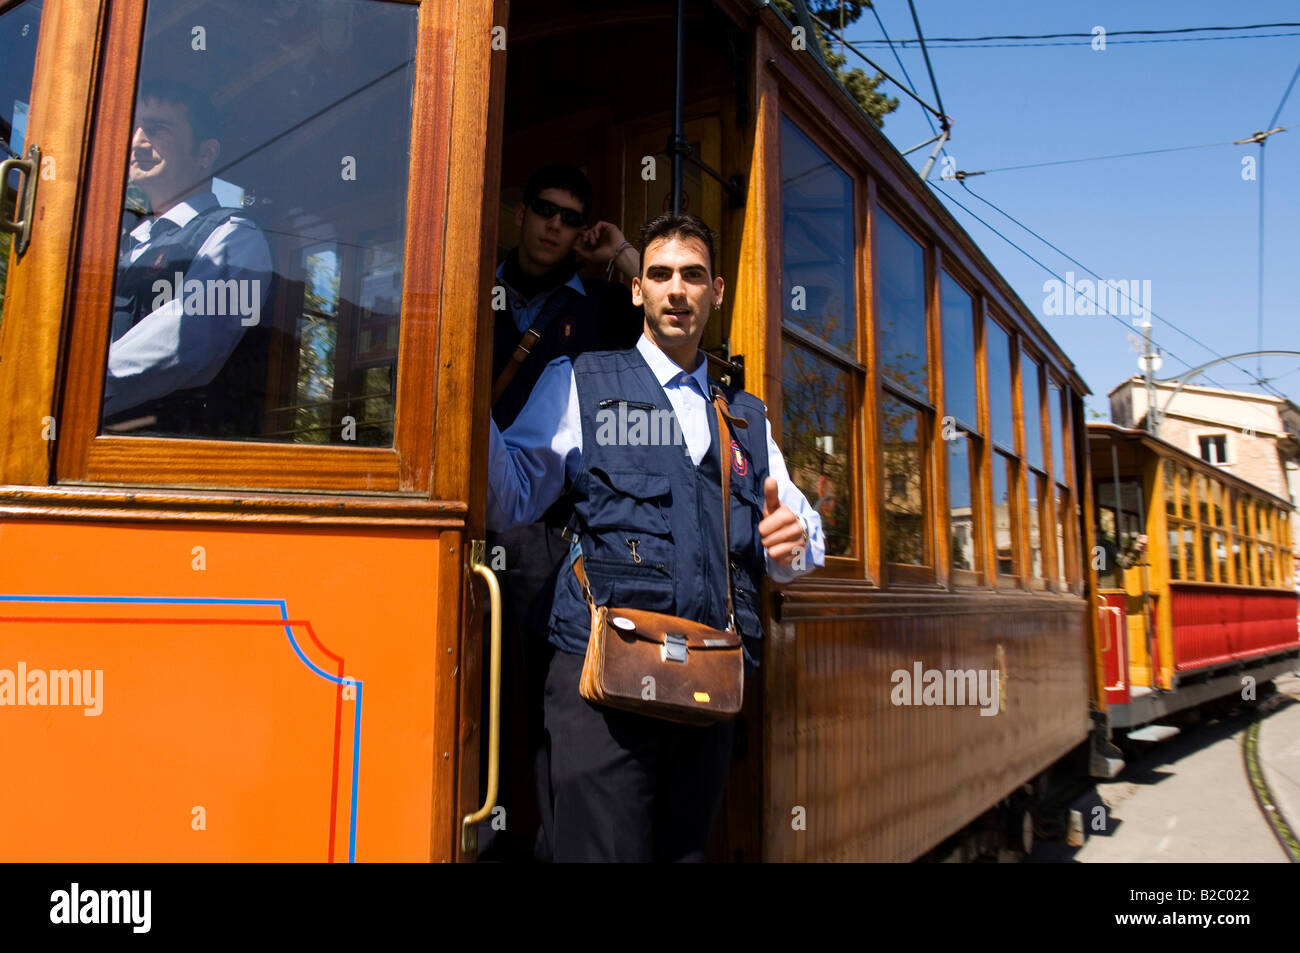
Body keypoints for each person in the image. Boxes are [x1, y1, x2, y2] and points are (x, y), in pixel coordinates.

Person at [487, 213, 825, 862]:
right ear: (637, 289)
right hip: (599, 687)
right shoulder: (579, 381)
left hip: (703, 691)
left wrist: (794, 545)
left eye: (692, 276)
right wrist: (463, 391)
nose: (677, 289)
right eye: (661, 274)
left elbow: (797, 535)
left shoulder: (744, 417)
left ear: (716, 291)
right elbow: (510, 497)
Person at [482, 164, 644, 860]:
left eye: (571, 217)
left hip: (544, 528)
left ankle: (528, 833)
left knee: (541, 694)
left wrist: (624, 257)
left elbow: (680, 322)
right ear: (520, 210)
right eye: (545, 209)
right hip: (459, 511)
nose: (555, 225)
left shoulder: (608, 305)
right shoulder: (470, 283)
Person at [102, 82, 272, 437]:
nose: (137, 142)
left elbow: (188, 339)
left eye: (156, 129)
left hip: (162, 455)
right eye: (136, 127)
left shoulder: (236, 236)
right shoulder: (125, 242)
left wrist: (73, 386)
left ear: (205, 153)